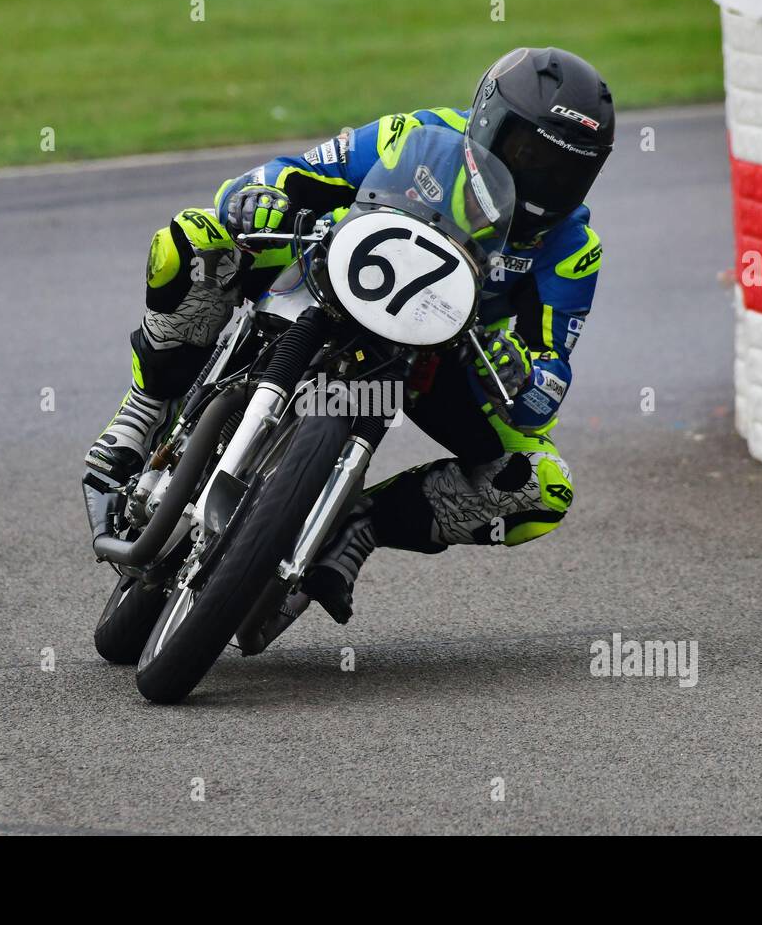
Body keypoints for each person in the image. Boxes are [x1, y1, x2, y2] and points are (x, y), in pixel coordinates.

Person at [87, 47, 614, 620]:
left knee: (539, 486)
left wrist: (524, 373)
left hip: (437, 356)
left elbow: (546, 390)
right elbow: (277, 177)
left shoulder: (573, 251)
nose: (543, 179)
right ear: (489, 120)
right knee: (196, 240)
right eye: (529, 152)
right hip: (327, 272)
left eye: (568, 170)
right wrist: (261, 199)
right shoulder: (410, 135)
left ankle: (356, 527)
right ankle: (144, 407)